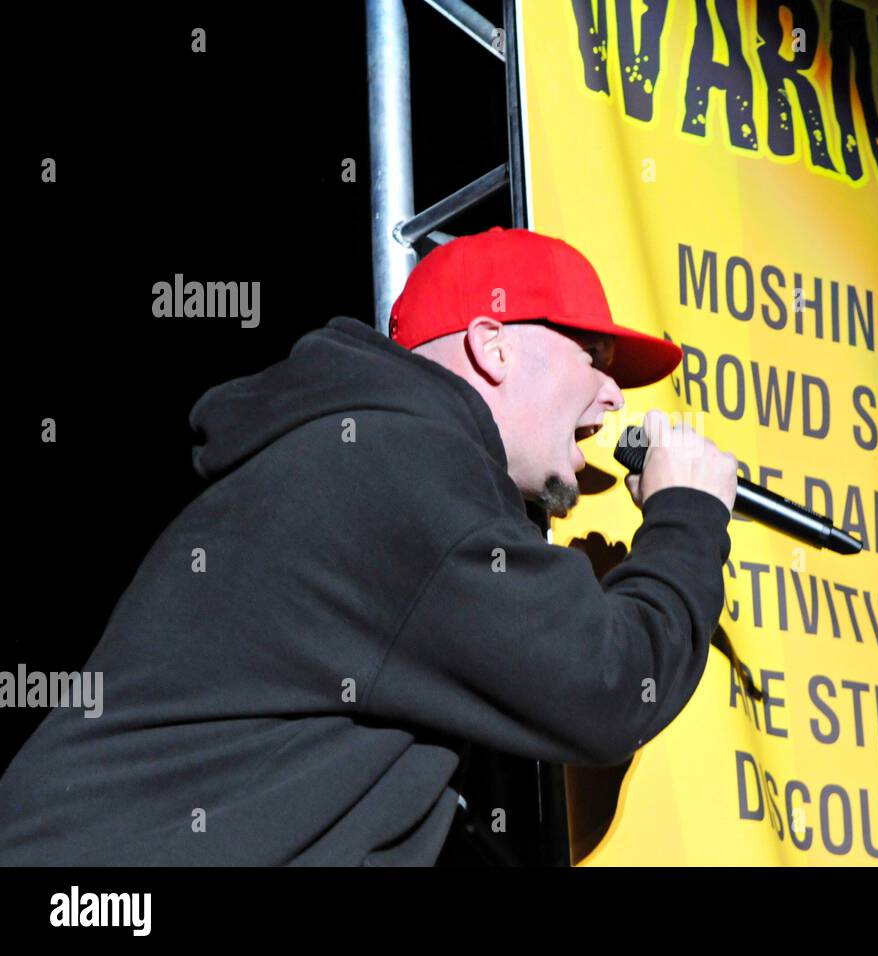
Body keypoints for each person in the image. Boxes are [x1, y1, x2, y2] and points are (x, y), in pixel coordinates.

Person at [0, 226, 737, 866]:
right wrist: (688, 518)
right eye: (595, 356)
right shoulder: (408, 466)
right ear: (495, 347)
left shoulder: (359, 450)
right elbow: (606, 686)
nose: (614, 397)